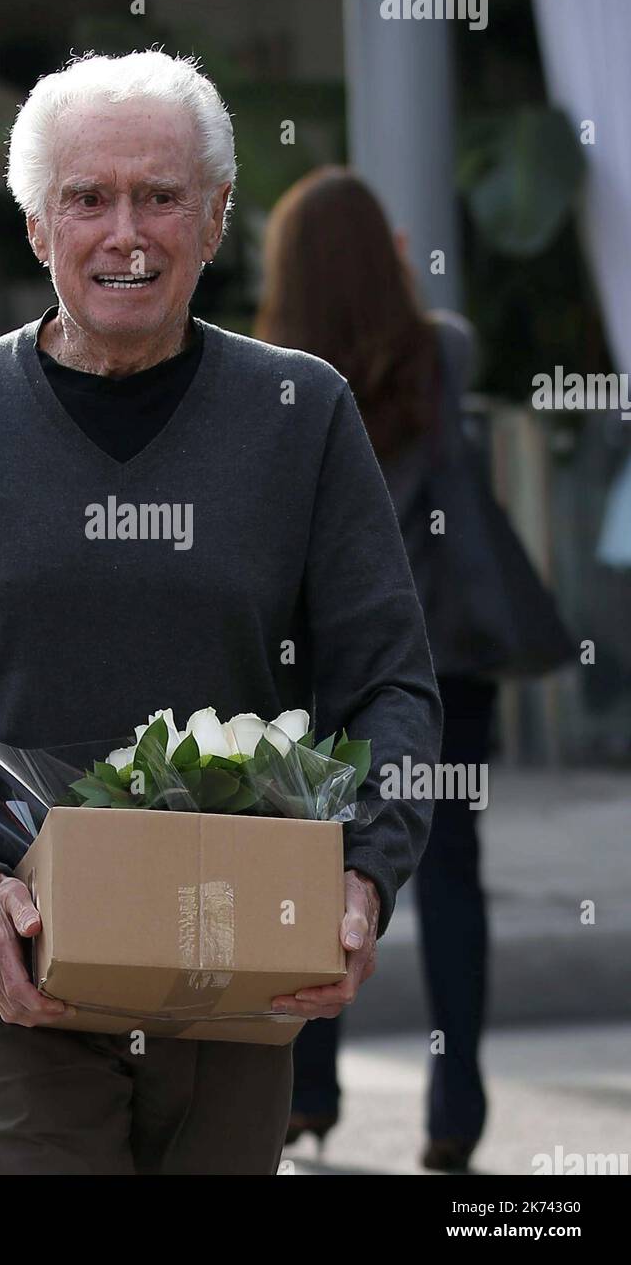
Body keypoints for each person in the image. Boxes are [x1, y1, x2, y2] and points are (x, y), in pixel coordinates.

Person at [0, 51, 443, 1176]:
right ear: (35, 226)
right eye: (88, 198)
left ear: (213, 222)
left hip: (236, 959)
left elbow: (391, 684)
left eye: (161, 197)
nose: (127, 233)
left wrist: (363, 875)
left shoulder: (298, 414)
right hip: (26, 965)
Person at [254, 165, 532, 1172]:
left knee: (313, 867)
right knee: (452, 873)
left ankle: (307, 1095)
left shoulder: (270, 373)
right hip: (445, 654)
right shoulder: (440, 351)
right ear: (388, 256)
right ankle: (453, 1110)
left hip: (324, 668)